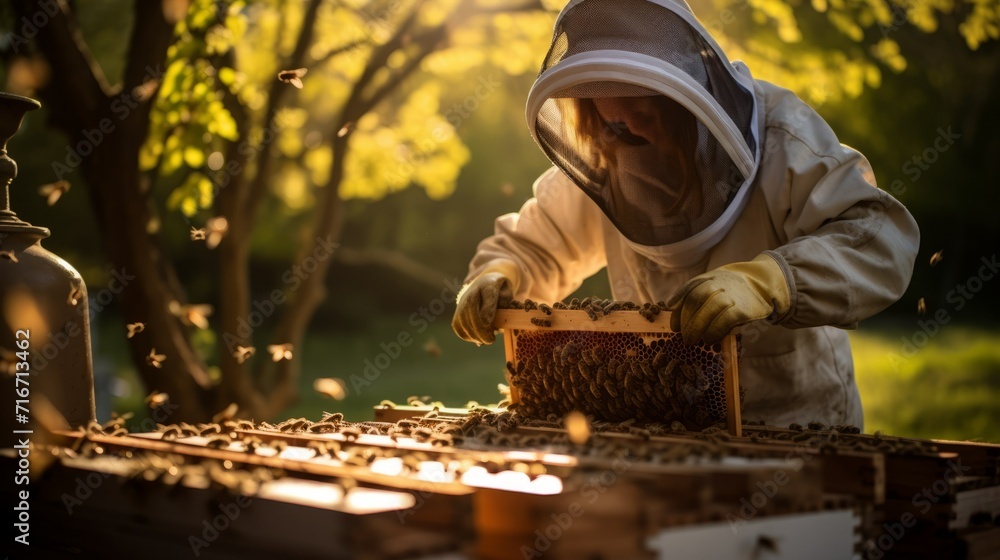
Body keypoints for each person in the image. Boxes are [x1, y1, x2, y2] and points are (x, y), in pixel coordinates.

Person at [451, 0, 919, 428]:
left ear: (685, 85)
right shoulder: (606, 157)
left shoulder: (784, 139)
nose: (629, 123)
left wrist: (773, 280)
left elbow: (879, 240)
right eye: (610, 109)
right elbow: (537, 243)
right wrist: (499, 272)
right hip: (665, 429)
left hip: (795, 427)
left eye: (644, 102)